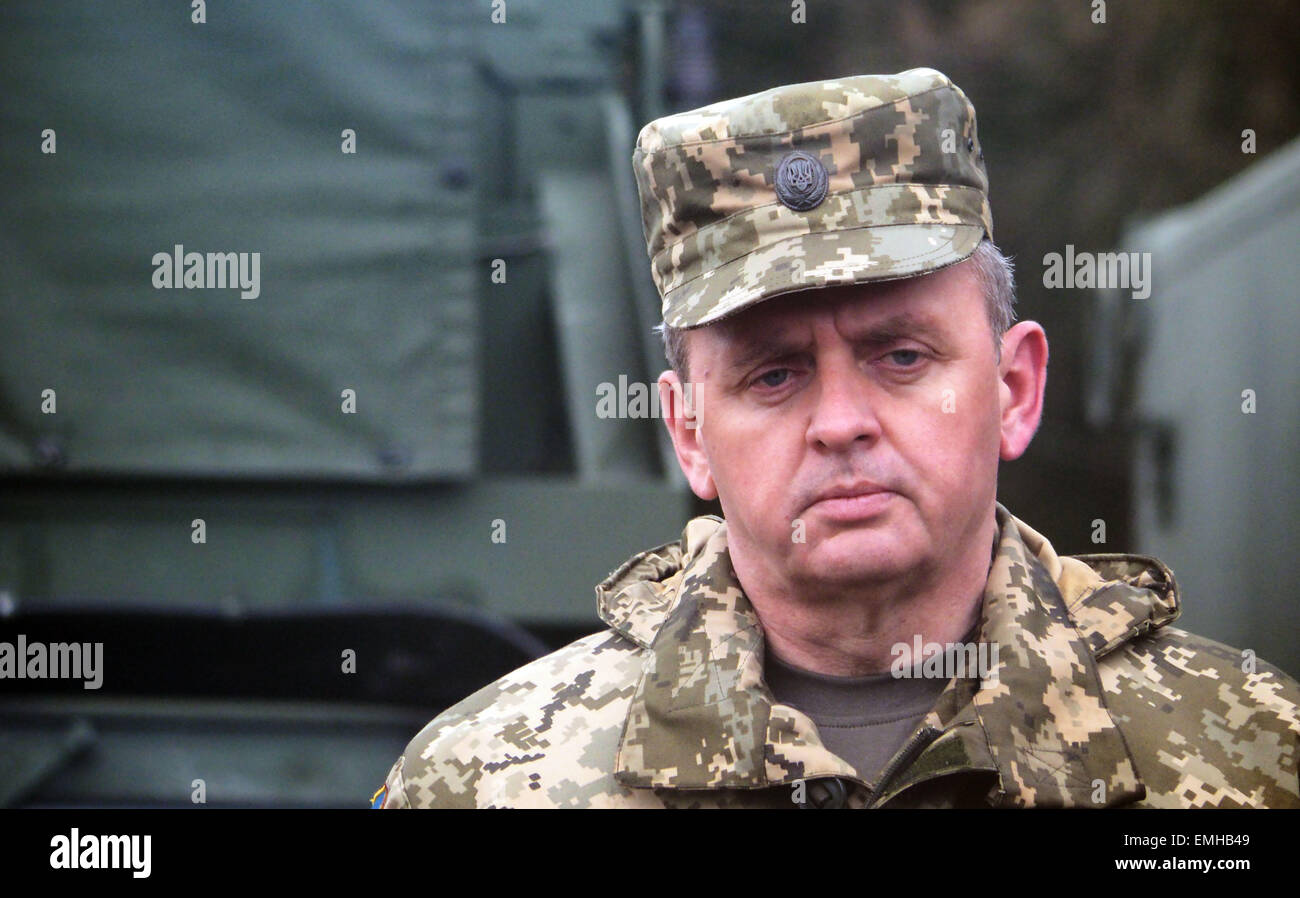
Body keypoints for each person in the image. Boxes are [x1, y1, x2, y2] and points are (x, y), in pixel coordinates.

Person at [374, 68, 1300, 808]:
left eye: (900, 356)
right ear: (688, 432)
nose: (841, 423)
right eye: (773, 375)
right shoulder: (486, 781)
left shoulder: (1251, 757)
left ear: (1014, 389)